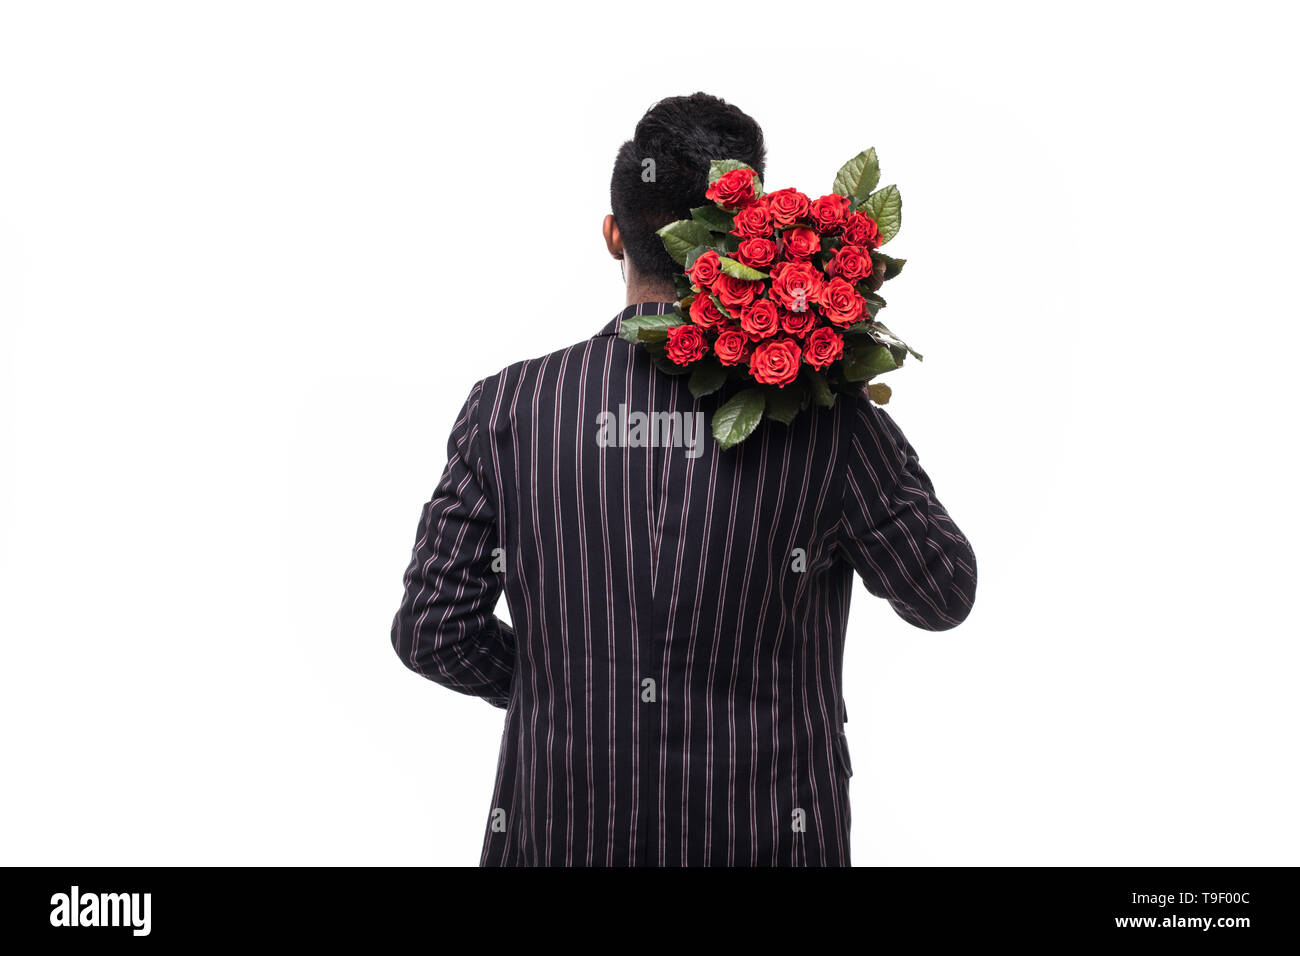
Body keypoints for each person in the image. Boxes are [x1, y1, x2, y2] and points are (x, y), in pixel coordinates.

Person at [390, 92, 977, 866]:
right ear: (751, 234)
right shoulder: (825, 420)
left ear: (612, 235)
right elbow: (941, 593)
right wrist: (859, 421)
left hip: (561, 833)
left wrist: (561, 696)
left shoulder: (509, 408)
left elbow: (434, 631)